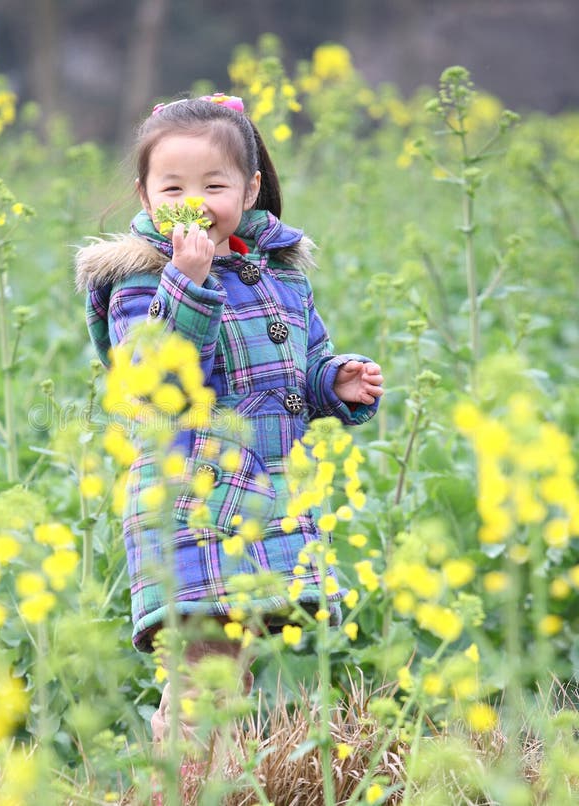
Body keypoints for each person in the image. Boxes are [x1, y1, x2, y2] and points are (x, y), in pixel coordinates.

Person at [75, 93, 383, 747]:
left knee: (227, 671)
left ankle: (211, 780)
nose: (194, 201)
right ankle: (183, 785)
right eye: (173, 187)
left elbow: (301, 365)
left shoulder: (277, 274)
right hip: (192, 499)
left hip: (262, 494)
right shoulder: (140, 282)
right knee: (202, 680)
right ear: (144, 193)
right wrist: (187, 283)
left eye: (213, 185)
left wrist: (335, 382)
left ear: (249, 188)